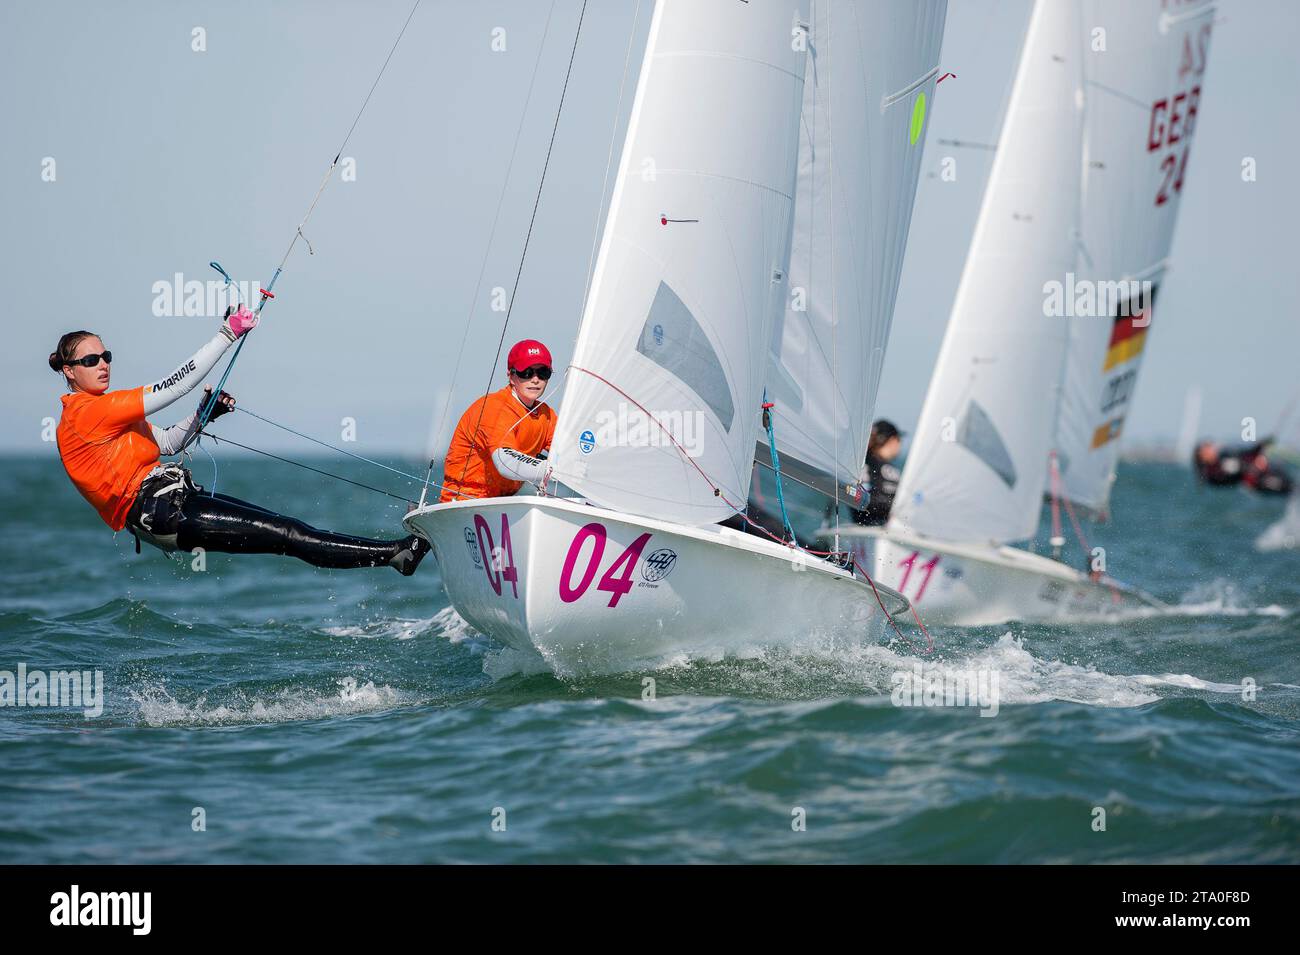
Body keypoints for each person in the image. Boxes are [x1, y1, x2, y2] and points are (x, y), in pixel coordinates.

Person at [51, 309, 430, 574]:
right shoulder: (87, 413)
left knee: (287, 529)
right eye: (90, 361)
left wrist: (204, 415)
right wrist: (226, 334)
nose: (102, 364)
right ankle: (397, 555)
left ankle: (397, 555)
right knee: (288, 535)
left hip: (176, 500)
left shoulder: (101, 411)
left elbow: (165, 442)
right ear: (69, 372)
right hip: (165, 516)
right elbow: (176, 384)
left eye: (105, 356)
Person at [440, 339, 557, 502]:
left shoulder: (546, 415)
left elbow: (569, 453)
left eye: (543, 373)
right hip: (464, 501)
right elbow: (505, 461)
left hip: (501, 504)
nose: (535, 379)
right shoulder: (495, 408)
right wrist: (553, 469)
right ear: (511, 376)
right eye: (527, 372)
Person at [1193, 437, 1293, 496]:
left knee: (1292, 484)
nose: (1213, 448)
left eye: (1211, 446)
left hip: (1263, 472)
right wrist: (1254, 467)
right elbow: (1234, 473)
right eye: (1208, 448)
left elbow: (1245, 453)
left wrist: (1261, 445)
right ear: (1202, 456)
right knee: (1290, 489)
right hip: (1258, 482)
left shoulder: (1224, 455)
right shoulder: (1211, 472)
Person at [853, 419, 904, 526]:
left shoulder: (859, 464)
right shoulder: (889, 470)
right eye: (899, 439)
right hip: (881, 527)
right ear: (893, 440)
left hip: (860, 524)